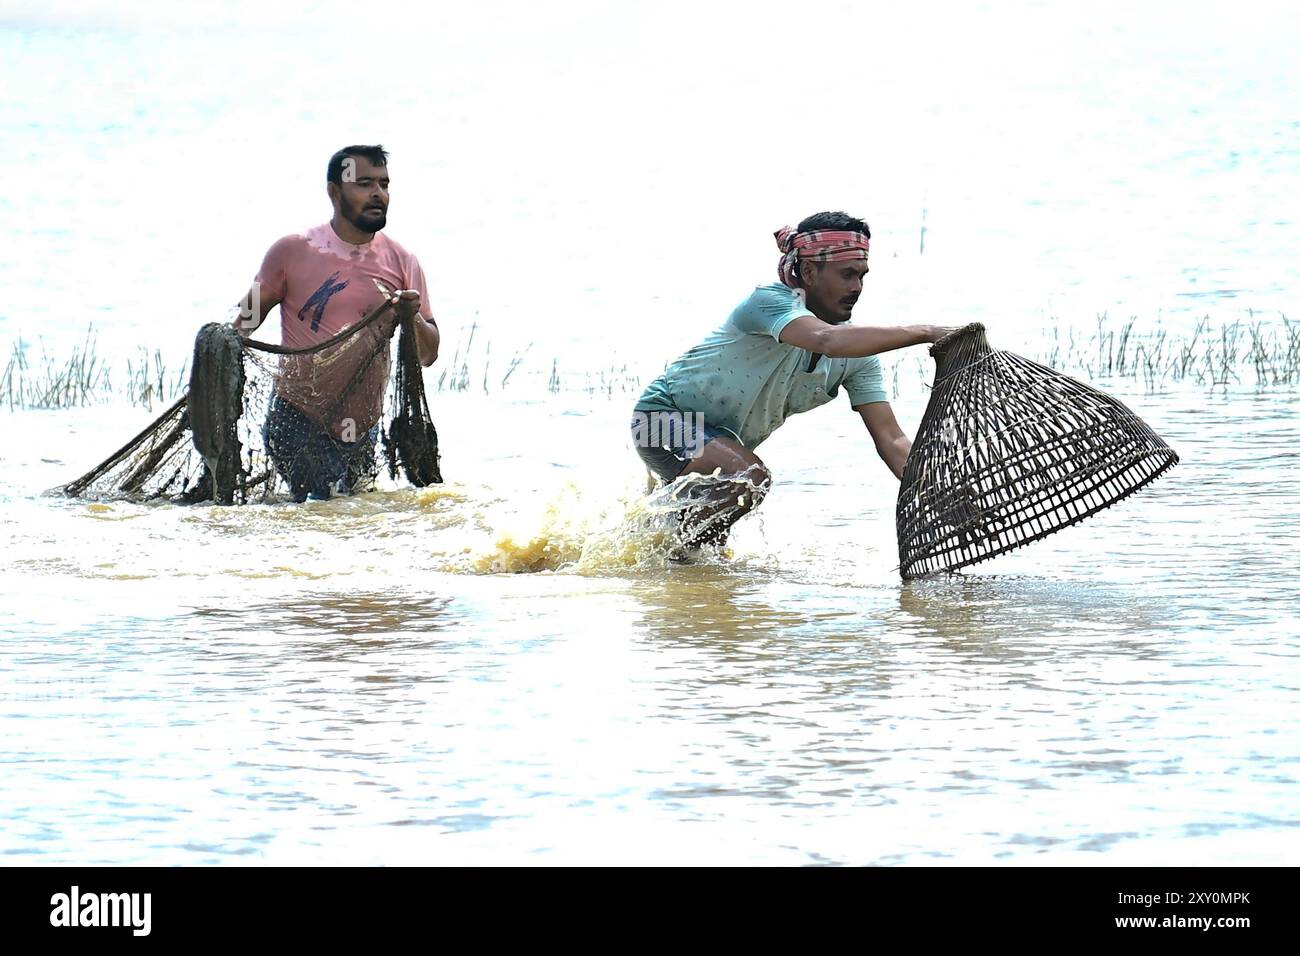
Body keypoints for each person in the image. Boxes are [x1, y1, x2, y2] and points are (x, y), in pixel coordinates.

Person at [631, 211, 954, 556]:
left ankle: (655, 561)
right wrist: (926, 332)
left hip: (720, 443)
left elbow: (892, 440)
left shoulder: (858, 357)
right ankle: (665, 554)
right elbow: (826, 340)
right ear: (810, 272)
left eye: (861, 276)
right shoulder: (768, 302)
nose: (856, 288)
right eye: (846, 275)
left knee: (708, 544)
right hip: (659, 420)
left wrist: (939, 496)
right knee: (747, 478)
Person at [233, 144, 440, 501]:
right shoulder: (291, 251)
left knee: (348, 521)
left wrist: (411, 318)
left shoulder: (403, 262)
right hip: (297, 420)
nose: (378, 194)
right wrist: (220, 347)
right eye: (364, 184)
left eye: (384, 184)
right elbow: (245, 320)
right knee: (325, 508)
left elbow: (429, 354)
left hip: (363, 430)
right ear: (334, 191)